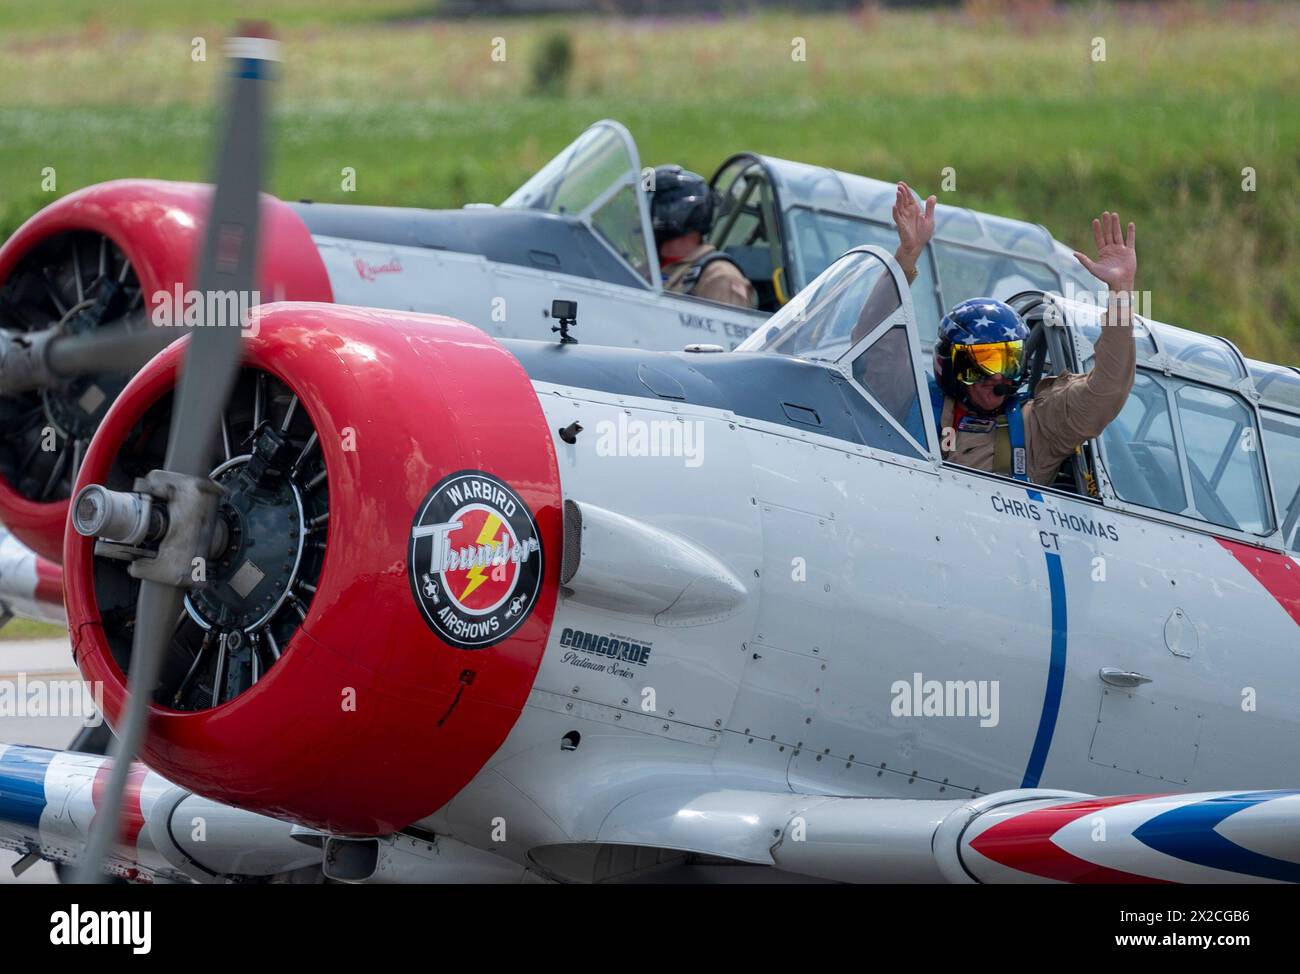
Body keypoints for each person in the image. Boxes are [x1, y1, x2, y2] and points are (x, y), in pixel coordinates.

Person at [891, 182, 1138, 486]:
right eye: (985, 361)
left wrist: (1120, 294)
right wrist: (906, 257)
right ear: (952, 367)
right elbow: (878, 356)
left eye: (1009, 361)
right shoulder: (917, 402)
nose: (998, 377)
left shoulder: (1038, 426)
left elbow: (1107, 391)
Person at [650, 164, 757, 309]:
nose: (637, 219)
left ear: (675, 213)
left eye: (648, 208)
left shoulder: (720, 277)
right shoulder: (649, 267)